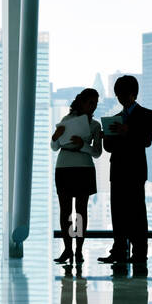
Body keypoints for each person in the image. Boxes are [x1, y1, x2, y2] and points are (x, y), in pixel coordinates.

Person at [99, 74, 152, 271]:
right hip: (118, 171)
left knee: (137, 214)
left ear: (133, 94)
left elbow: (146, 140)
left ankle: (139, 253)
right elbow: (109, 148)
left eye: (122, 94)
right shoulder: (114, 119)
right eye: (117, 95)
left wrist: (127, 131)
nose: (120, 99)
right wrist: (106, 136)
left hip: (135, 171)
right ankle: (119, 251)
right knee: (118, 213)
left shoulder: (148, 115)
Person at [52, 87, 103, 267]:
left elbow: (97, 152)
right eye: (90, 103)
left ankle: (79, 249)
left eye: (96, 104)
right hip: (64, 168)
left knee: (81, 213)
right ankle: (67, 249)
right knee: (65, 212)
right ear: (81, 102)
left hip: (84, 169)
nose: (93, 107)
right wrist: (55, 137)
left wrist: (82, 145)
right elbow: (54, 146)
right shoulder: (66, 120)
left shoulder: (95, 125)